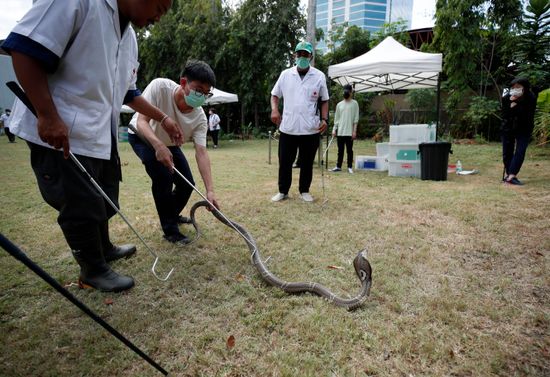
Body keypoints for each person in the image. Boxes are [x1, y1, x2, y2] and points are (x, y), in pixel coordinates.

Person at [1, 0, 178, 292]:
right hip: (62, 131)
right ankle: (92, 269)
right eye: (159, 8)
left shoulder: (130, 38)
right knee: (79, 202)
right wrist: (47, 115)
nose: (158, 18)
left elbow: (128, 93)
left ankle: (104, 247)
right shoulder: (78, 2)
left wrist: (164, 118)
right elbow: (23, 49)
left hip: (99, 134)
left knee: (104, 196)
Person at [128, 60, 219, 244]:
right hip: (142, 136)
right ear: (183, 83)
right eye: (198, 89)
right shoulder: (160, 87)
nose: (201, 96)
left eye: (206, 93)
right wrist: (157, 146)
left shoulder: (200, 118)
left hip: (168, 143)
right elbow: (141, 122)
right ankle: (170, 231)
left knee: (187, 183)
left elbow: (201, 153)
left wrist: (210, 191)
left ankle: (171, 214)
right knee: (163, 177)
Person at [270, 41, 329, 202]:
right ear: (295, 55)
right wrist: (275, 110)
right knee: (285, 162)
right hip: (288, 127)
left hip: (310, 128)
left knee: (307, 162)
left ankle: (305, 190)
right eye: (299, 54)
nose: (302, 57)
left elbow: (324, 100)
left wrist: (324, 119)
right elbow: (274, 95)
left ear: (311, 56)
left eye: (306, 54)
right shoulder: (285, 74)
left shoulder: (319, 76)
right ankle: (283, 191)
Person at [501, 77, 537, 185]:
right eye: (513, 87)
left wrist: (516, 106)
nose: (515, 89)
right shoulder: (507, 97)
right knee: (507, 151)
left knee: (520, 151)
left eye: (518, 87)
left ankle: (512, 175)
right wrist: (511, 105)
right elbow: (505, 115)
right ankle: (509, 174)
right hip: (508, 127)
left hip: (524, 127)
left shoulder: (530, 97)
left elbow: (527, 115)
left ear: (524, 88)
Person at [331, 84, 359, 174]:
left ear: (351, 92)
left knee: (349, 150)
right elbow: (337, 119)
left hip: (349, 131)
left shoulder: (355, 103)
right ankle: (338, 166)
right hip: (340, 131)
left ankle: (350, 167)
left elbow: (355, 119)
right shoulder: (339, 104)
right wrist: (334, 129)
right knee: (340, 150)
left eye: (348, 91)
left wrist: (354, 131)